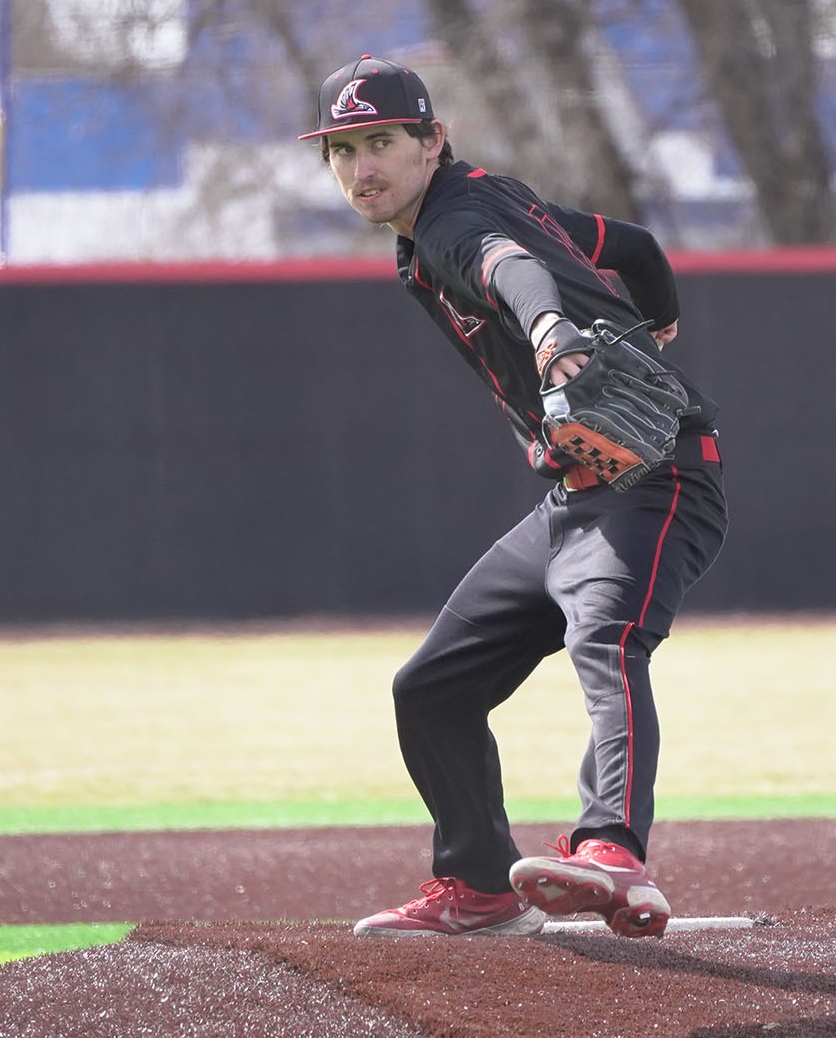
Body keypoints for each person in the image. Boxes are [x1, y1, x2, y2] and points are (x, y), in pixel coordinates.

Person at [299, 56, 729, 939]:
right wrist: (660, 319)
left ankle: (612, 848)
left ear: (432, 142)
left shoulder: (456, 222)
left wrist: (548, 328)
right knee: (432, 688)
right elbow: (637, 249)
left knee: (606, 640)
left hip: (657, 479)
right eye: (342, 151)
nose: (361, 168)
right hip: (574, 504)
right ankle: (481, 886)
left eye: (381, 141)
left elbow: (504, 267)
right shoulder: (496, 198)